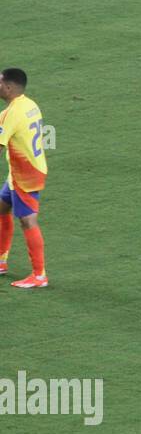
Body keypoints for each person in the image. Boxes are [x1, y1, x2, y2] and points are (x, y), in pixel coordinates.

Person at [0, 69, 49, 288]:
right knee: (1, 208)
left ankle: (39, 275)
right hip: (23, 170)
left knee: (27, 220)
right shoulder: (30, 105)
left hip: (25, 175)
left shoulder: (10, 114)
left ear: (8, 87)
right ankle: (1, 261)